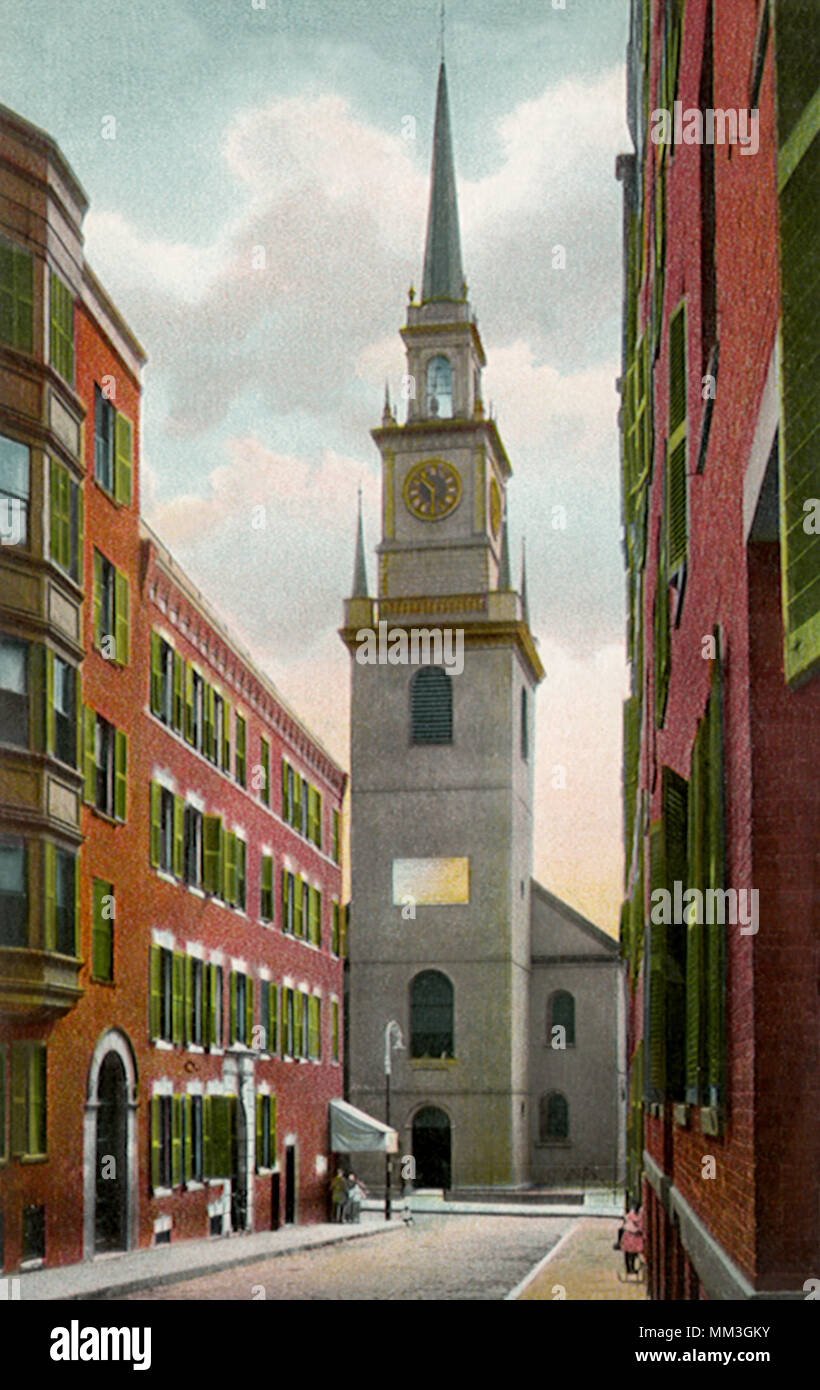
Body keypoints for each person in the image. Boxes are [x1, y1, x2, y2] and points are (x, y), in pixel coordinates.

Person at [621, 1203, 644, 1275]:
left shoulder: (631, 1215)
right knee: (632, 1253)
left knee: (629, 1253)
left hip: (630, 1236)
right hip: (634, 1236)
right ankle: (631, 1268)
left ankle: (630, 1268)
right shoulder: (639, 1215)